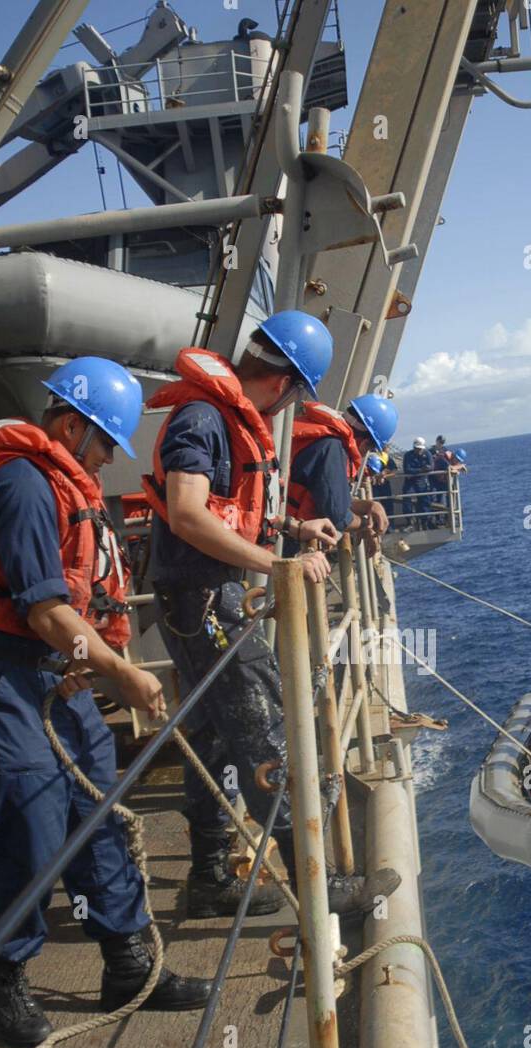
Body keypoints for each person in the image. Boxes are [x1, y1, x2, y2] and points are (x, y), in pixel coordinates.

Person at [0, 357, 212, 1047]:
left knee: (100, 803)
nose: (102, 464)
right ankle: (5, 978)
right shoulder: (23, 485)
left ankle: (126, 962)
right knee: (30, 822)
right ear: (71, 426)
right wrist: (124, 674)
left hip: (56, 672)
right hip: (6, 675)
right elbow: (41, 609)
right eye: (101, 447)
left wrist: (88, 669)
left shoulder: (55, 480)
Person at [143, 312, 401, 920]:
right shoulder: (204, 419)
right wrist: (276, 563)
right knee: (272, 736)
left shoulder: (221, 419)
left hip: (197, 600)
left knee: (211, 737)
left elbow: (230, 507)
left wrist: (290, 525)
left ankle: (209, 878)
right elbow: (186, 513)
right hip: (206, 603)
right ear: (285, 384)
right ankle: (323, 890)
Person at [285, 393, 397, 557]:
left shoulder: (324, 437)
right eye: (369, 449)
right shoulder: (332, 448)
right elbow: (338, 516)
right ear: (366, 443)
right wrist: (365, 525)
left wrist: (369, 506)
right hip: (282, 540)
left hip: (282, 526)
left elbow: (331, 497)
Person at [401, 436, 433, 529]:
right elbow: (407, 469)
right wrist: (421, 470)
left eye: (420, 449)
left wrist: (421, 470)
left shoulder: (427, 454)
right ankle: (410, 522)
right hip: (410, 481)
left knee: (424, 501)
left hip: (422, 481)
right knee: (407, 499)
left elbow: (431, 466)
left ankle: (425, 522)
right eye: (417, 448)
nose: (418, 450)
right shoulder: (408, 455)